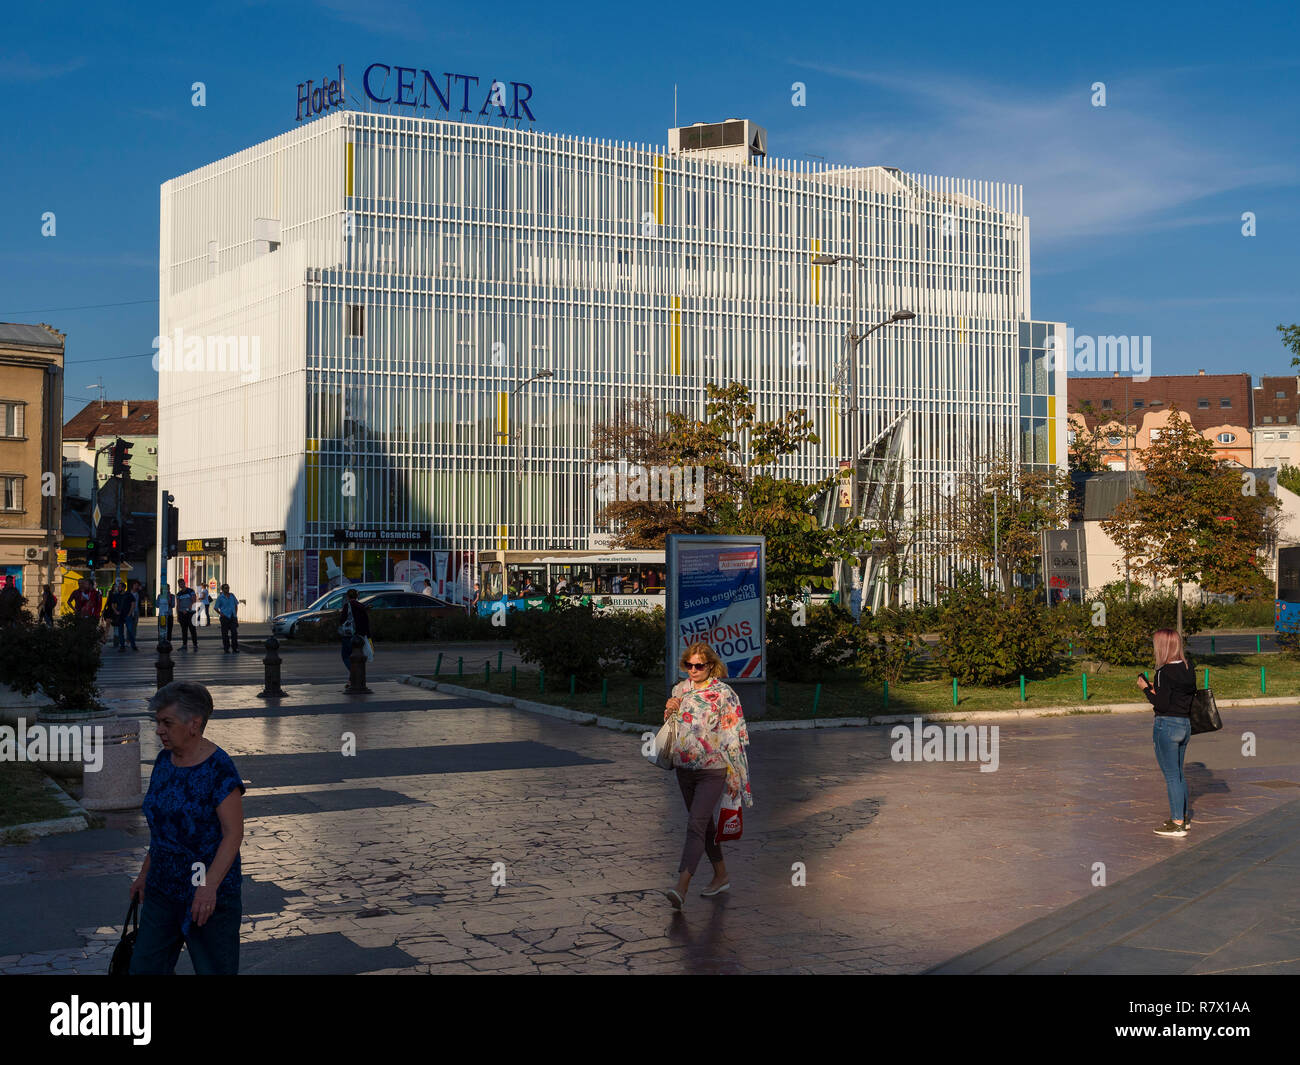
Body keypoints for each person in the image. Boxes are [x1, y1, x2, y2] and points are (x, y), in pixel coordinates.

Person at [129, 681, 245, 975]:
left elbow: (234, 834)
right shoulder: (163, 762)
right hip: (162, 888)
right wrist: (144, 873)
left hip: (207, 898)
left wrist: (208, 888)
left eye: (166, 722)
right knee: (144, 968)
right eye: (157, 722)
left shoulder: (219, 769)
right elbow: (163, 829)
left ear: (195, 724)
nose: (159, 730)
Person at [661, 641, 752, 909]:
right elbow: (671, 724)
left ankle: (681, 887)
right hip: (684, 767)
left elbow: (736, 733)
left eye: (698, 665)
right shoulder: (680, 689)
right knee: (704, 824)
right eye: (689, 665)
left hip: (713, 769)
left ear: (710, 665)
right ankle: (721, 875)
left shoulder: (724, 693)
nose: (693, 669)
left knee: (695, 824)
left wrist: (736, 773)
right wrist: (669, 708)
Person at [1136, 628, 1196, 838]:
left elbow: (1160, 704)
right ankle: (1183, 817)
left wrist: (1145, 688)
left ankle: (1177, 822)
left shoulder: (1162, 672)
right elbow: (1175, 694)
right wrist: (1157, 688)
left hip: (1167, 726)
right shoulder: (1188, 667)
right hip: (1185, 725)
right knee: (1179, 773)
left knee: (1171, 776)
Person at [338, 588, 370, 672]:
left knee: (345, 656)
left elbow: (342, 620)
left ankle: (354, 673)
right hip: (360, 636)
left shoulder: (347, 606)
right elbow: (366, 621)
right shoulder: (361, 606)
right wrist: (367, 635)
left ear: (348, 597)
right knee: (357, 657)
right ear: (357, 596)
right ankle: (353, 678)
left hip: (349, 635)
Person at [214, 584, 239, 653]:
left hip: (232, 617)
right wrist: (220, 613)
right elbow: (215, 607)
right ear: (222, 589)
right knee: (225, 634)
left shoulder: (232, 596)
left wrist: (235, 614)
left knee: (234, 633)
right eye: (225, 588)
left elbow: (236, 604)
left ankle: (235, 648)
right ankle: (226, 648)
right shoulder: (220, 597)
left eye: (228, 588)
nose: (227, 589)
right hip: (225, 617)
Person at [107, 580, 130, 651]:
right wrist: (115, 611)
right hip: (116, 614)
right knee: (118, 629)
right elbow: (110, 603)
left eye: (119, 587)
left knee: (126, 630)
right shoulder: (112, 594)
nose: (117, 588)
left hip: (123, 613)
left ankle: (123, 643)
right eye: (116, 587)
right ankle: (119, 644)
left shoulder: (124, 595)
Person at [176, 579, 199, 651]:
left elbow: (194, 601)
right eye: (180, 584)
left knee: (192, 629)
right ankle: (184, 645)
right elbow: (178, 604)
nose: (181, 585)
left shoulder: (190, 591)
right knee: (184, 630)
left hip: (190, 613)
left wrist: (187, 609)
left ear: (184, 583)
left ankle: (195, 645)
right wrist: (178, 615)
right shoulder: (179, 594)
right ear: (179, 585)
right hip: (182, 614)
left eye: (182, 583)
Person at [125, 580, 141, 651]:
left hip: (136, 611)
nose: (136, 586)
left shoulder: (138, 593)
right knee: (129, 627)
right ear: (132, 585)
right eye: (135, 585)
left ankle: (133, 641)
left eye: (137, 585)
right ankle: (128, 641)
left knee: (134, 627)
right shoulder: (128, 593)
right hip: (129, 611)